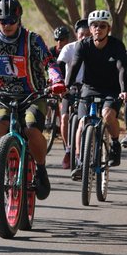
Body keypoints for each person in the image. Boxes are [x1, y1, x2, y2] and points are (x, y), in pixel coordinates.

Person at [0, 0, 64, 199]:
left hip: (32, 96)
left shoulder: (32, 39)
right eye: (3, 21)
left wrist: (56, 81)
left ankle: (41, 170)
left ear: (19, 19)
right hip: (1, 96)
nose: (7, 25)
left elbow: (50, 63)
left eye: (11, 21)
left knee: (30, 127)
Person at [64, 10, 127, 178]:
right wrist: (66, 87)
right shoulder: (83, 45)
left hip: (112, 89)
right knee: (82, 123)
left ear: (108, 28)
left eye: (102, 26)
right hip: (89, 87)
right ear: (90, 28)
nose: (98, 29)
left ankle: (115, 144)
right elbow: (74, 66)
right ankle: (80, 161)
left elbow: (122, 69)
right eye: (94, 25)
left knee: (107, 116)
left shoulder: (117, 46)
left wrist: (124, 91)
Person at [55, 18, 89, 170]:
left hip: (88, 88)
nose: (84, 38)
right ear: (77, 35)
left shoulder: (95, 49)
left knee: (87, 119)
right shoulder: (69, 48)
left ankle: (87, 148)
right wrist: (60, 85)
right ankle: (68, 150)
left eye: (88, 35)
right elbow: (60, 66)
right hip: (71, 87)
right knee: (64, 118)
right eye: (82, 35)